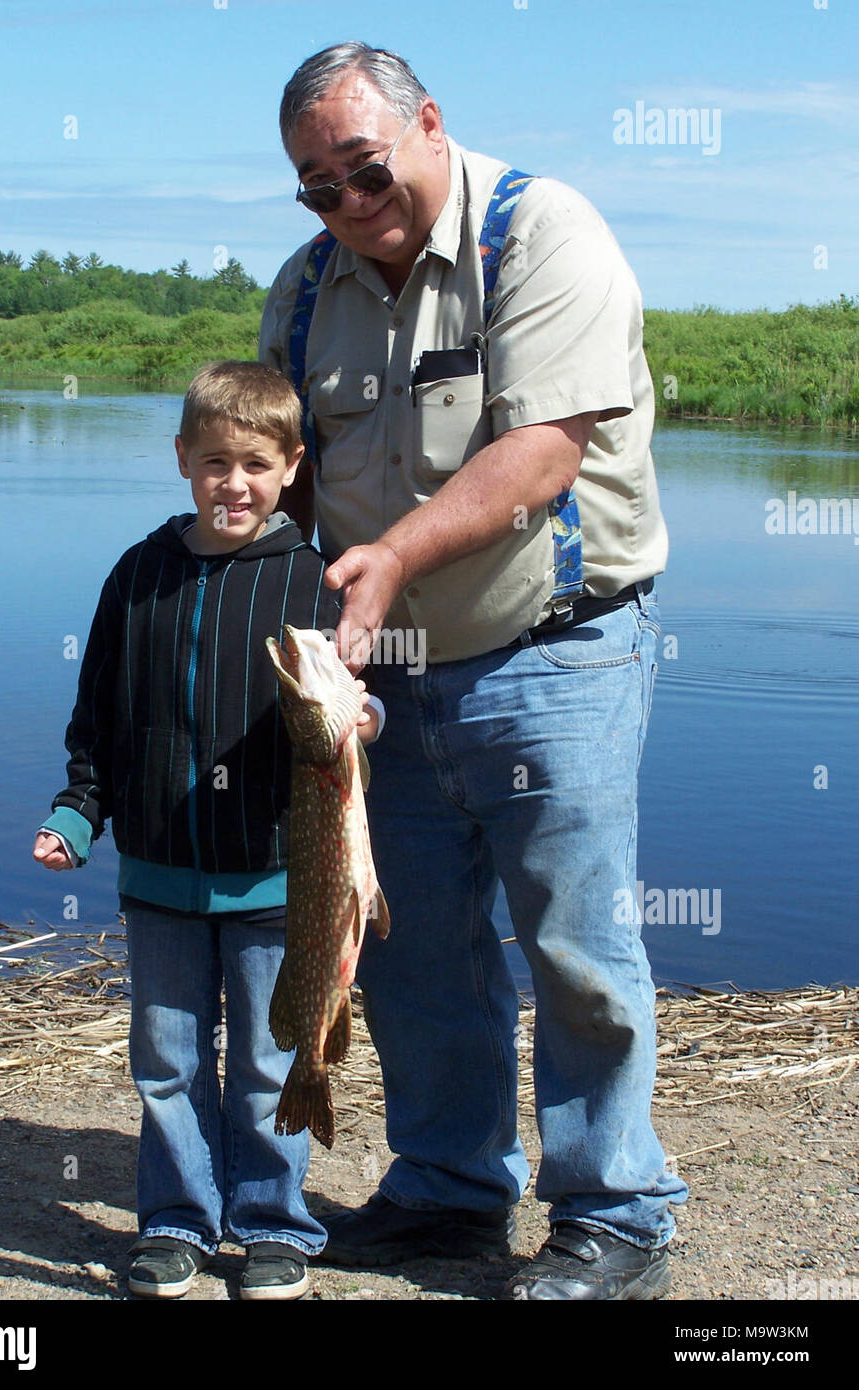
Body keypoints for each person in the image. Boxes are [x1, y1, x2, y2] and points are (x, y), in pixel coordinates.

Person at [259, 42, 689, 1300]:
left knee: (575, 938)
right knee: (406, 948)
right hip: (376, 679)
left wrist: (387, 555)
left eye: (361, 167)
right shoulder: (302, 290)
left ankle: (615, 1207)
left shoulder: (542, 232)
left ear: (429, 123)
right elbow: (283, 485)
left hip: (555, 651)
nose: (345, 203)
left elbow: (540, 455)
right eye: (314, 187)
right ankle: (447, 1190)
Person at [32, 360, 380, 1301]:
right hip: (158, 878)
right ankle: (178, 1221)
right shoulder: (139, 576)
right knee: (167, 1062)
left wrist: (361, 720)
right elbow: (96, 714)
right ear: (183, 458)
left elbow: (349, 707)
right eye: (216, 461)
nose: (235, 483)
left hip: (279, 883)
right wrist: (79, 810)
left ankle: (273, 1223)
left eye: (257, 465)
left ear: (291, 468)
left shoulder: (310, 581)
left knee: (274, 1061)